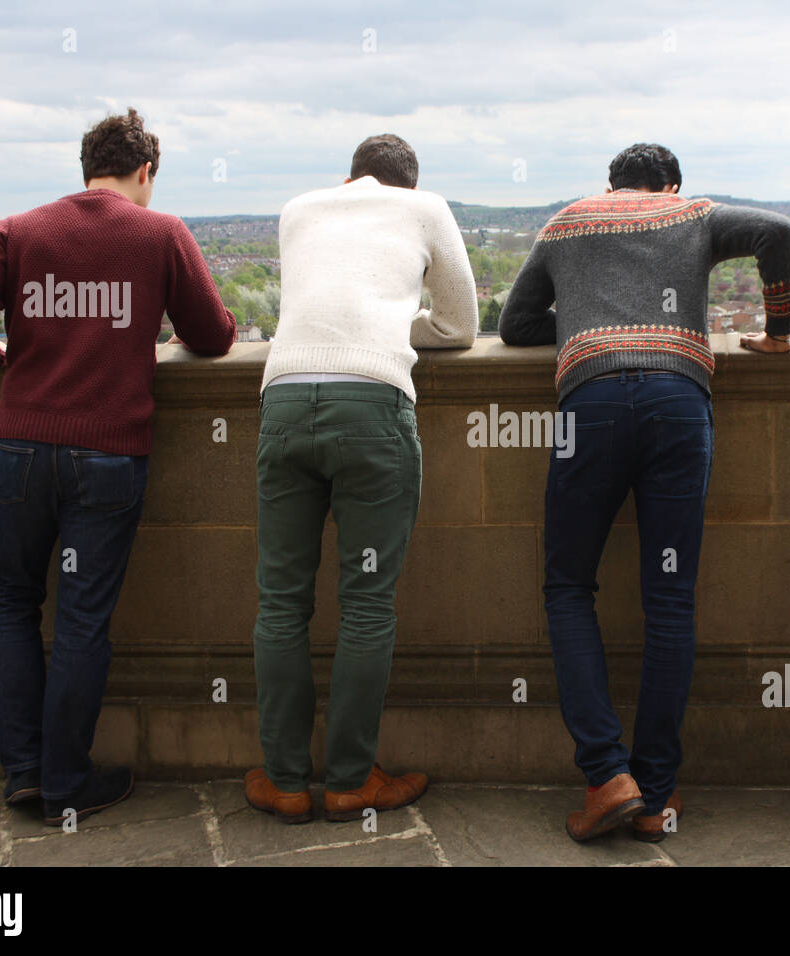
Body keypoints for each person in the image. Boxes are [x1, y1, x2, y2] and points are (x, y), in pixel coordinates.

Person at [0, 108, 236, 826]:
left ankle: (23, 774)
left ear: (84, 168)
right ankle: (67, 780)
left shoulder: (19, 229)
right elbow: (216, 335)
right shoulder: (161, 233)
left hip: (20, 447)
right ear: (145, 173)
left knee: (9, 604)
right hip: (108, 454)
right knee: (80, 621)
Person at [500, 143, 790, 842]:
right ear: (670, 184)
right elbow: (779, 235)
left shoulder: (568, 223)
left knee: (568, 586)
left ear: (609, 185)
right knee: (670, 597)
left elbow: (515, 326)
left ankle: (607, 776)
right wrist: (778, 331)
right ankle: (656, 794)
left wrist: (584, 327)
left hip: (590, 405)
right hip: (677, 402)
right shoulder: (689, 212)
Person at [244, 134, 478, 824]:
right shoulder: (424, 207)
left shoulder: (298, 209)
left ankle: (285, 781)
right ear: (408, 185)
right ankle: (350, 780)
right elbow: (460, 324)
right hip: (372, 404)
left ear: (348, 178)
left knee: (280, 602)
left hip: (284, 399)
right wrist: (396, 329)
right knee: (367, 602)